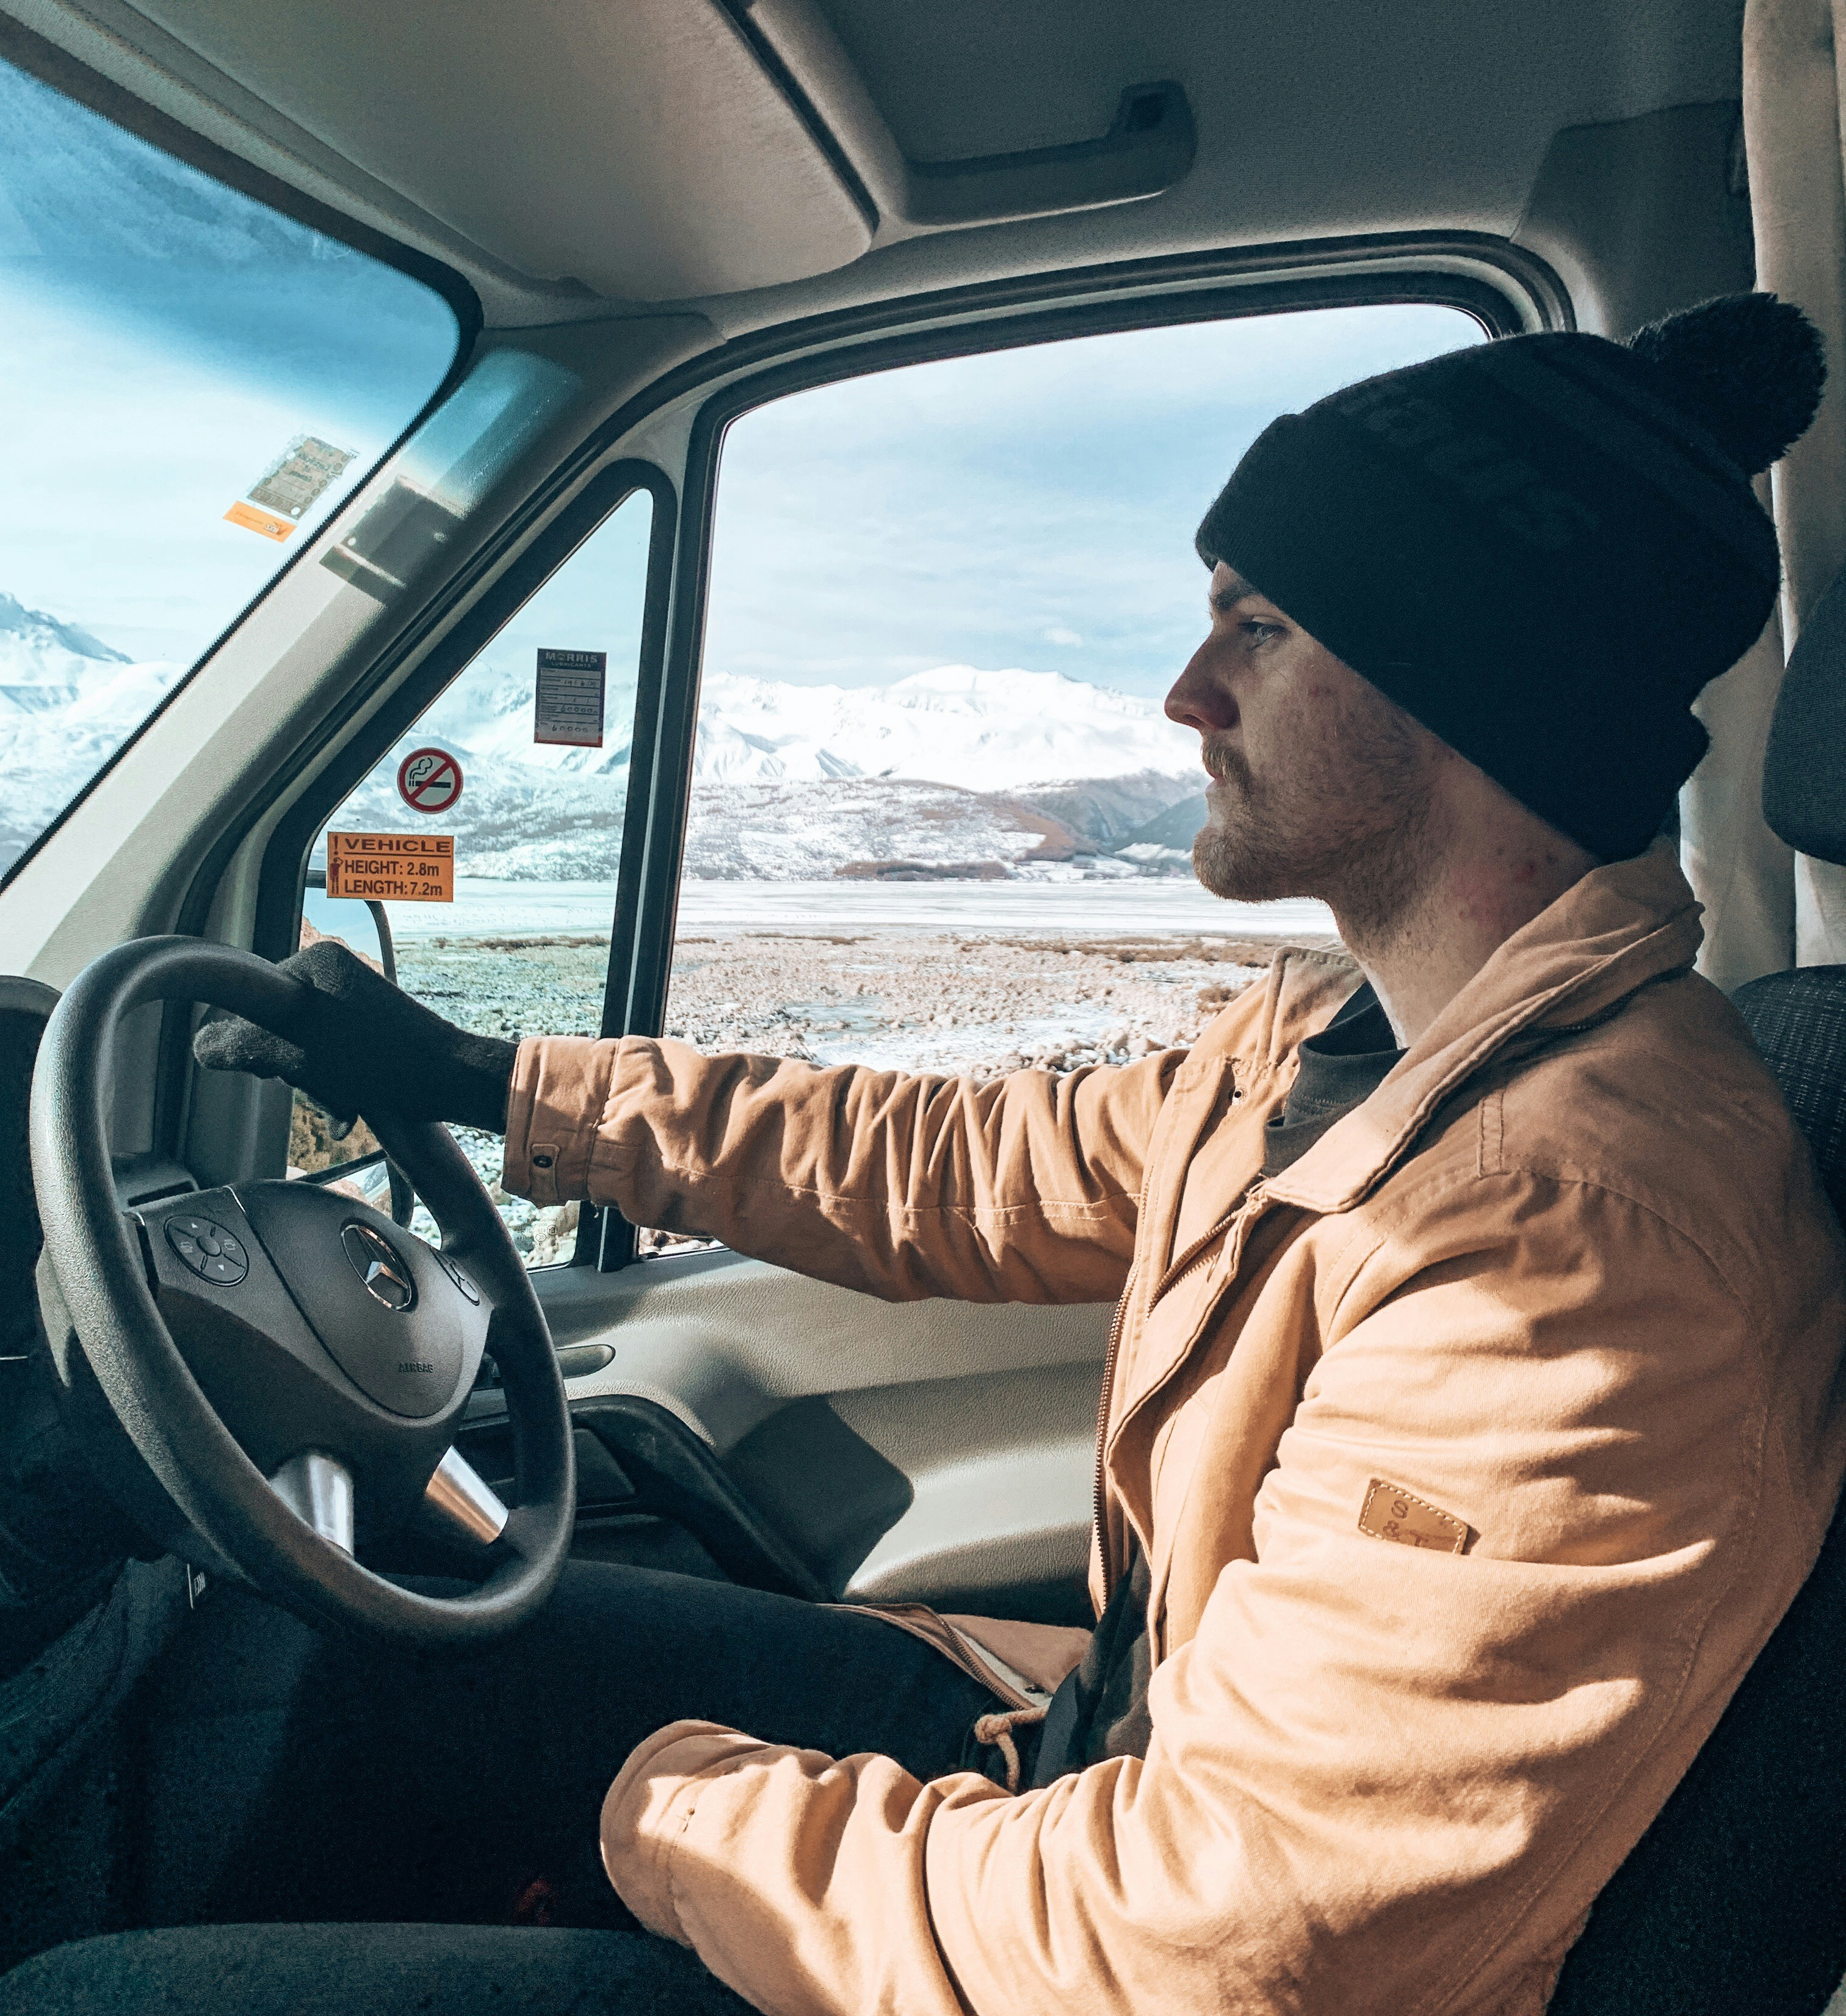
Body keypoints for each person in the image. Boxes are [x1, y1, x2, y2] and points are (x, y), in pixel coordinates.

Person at [163, 294, 1845, 2016]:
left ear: (1465, 671)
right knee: (360, 1639)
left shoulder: (1566, 1251)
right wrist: (487, 1078)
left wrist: (655, 1810)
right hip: (1090, 1754)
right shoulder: (1350, 1049)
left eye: (1260, 630)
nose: (1188, 693)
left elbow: (1200, 1952)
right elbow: (959, 1163)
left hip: (1120, 1939)